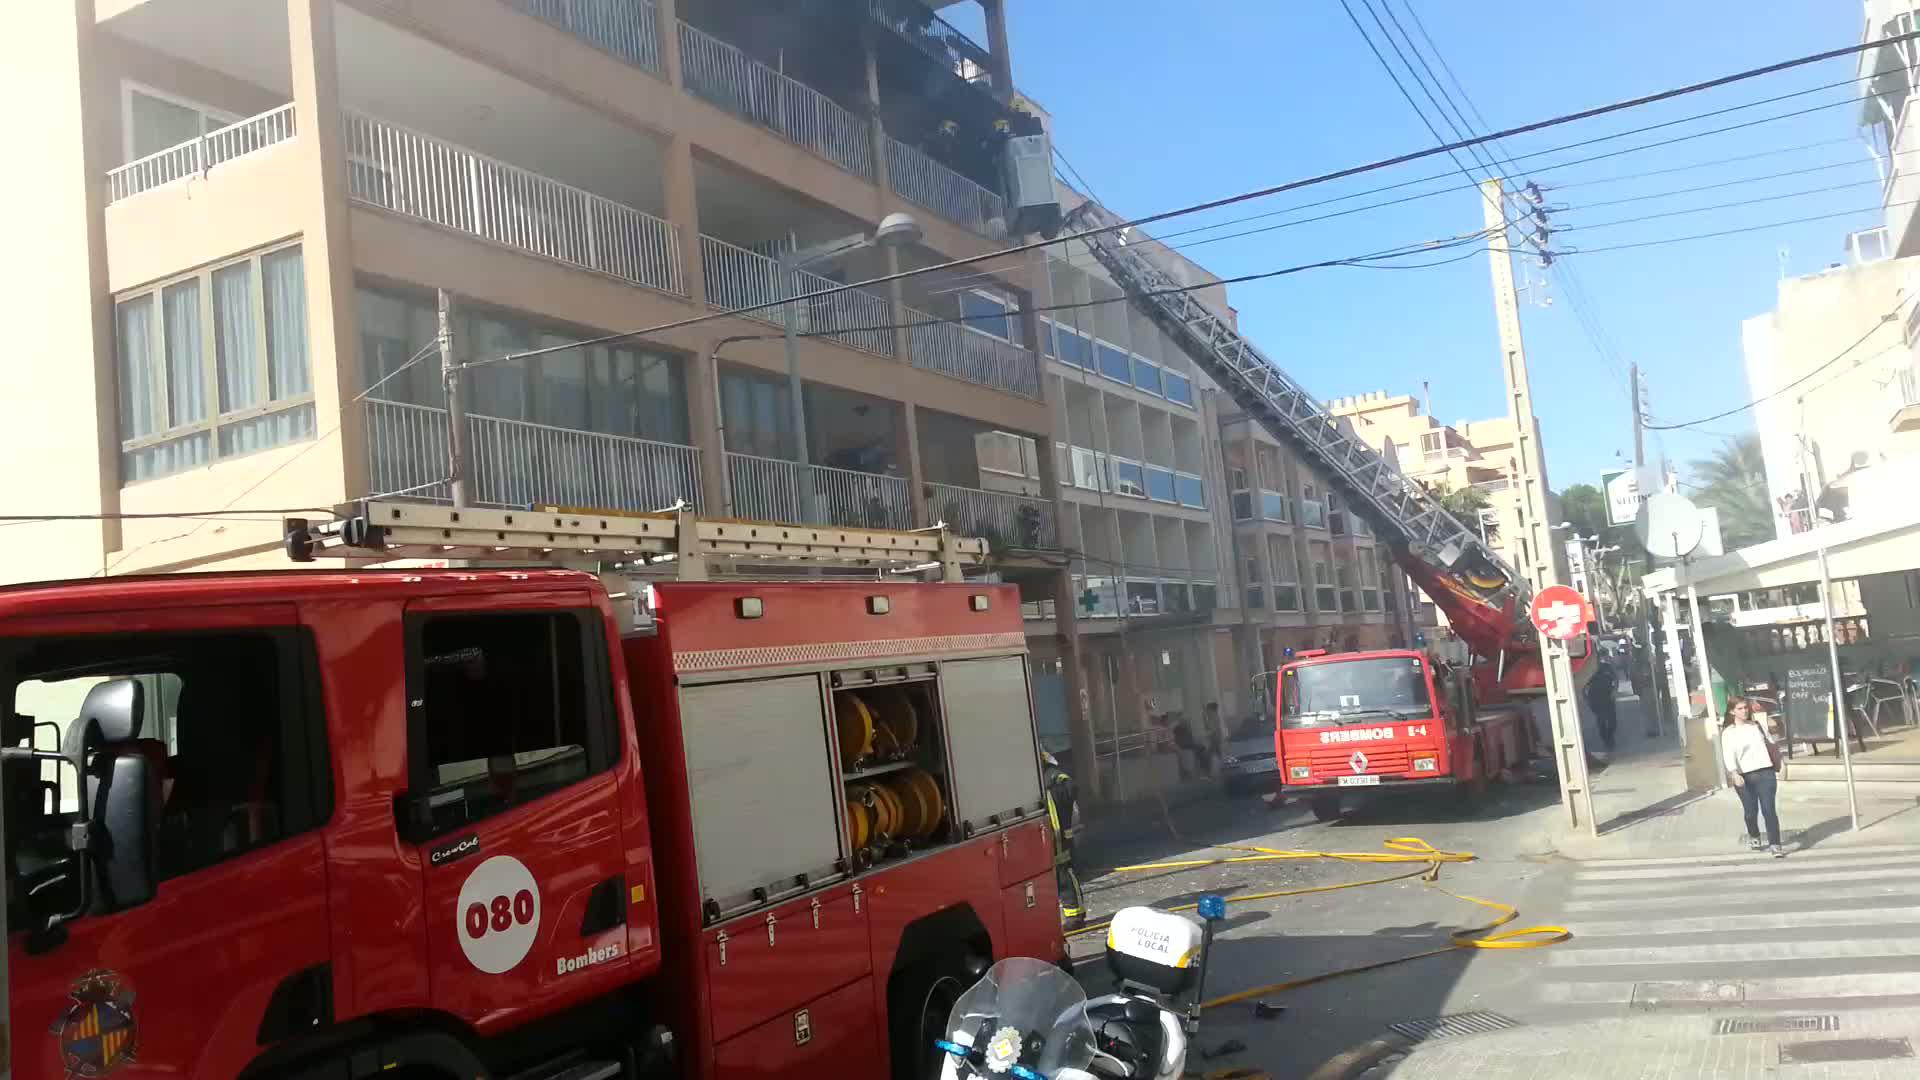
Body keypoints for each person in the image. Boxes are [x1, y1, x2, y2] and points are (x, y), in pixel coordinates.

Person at [1721, 696, 1786, 857]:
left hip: (1766, 772)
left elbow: (1771, 745)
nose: (1744, 711)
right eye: (1740, 708)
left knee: (1768, 810)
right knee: (1750, 812)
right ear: (1732, 712)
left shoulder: (1756, 726)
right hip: (1744, 776)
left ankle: (1775, 845)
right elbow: (1728, 754)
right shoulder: (1729, 732)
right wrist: (1734, 773)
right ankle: (1754, 835)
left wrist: (1782, 764)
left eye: (1746, 708)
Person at [1040, 750, 1084, 927]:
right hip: (1047, 835)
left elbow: (1072, 787)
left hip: (1059, 836)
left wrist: (1053, 792)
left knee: (1064, 872)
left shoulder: (1052, 775)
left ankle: (1075, 916)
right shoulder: (1039, 778)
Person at [1584, 653, 1619, 752]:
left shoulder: (1607, 667)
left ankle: (1610, 735)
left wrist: (1615, 691)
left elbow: (1616, 679)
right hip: (1595, 698)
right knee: (1601, 720)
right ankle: (1607, 740)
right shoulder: (1588, 670)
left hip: (1608, 696)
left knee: (1612, 721)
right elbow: (1584, 685)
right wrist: (1586, 698)